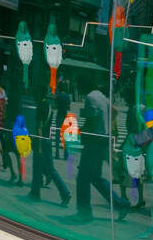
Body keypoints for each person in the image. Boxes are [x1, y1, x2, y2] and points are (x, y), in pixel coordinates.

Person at [72, 74, 130, 223]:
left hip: (93, 141)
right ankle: (121, 204)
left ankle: (84, 211)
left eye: (78, 86)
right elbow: (115, 111)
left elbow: (90, 121)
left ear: (82, 85)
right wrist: (107, 127)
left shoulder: (90, 98)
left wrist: (82, 131)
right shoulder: (101, 96)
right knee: (95, 177)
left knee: (83, 178)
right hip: (102, 139)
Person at [28, 90, 69, 205]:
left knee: (37, 167)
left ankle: (35, 192)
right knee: (51, 169)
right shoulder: (49, 107)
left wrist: (39, 145)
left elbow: (39, 127)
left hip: (40, 141)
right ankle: (65, 192)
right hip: (48, 140)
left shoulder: (41, 106)